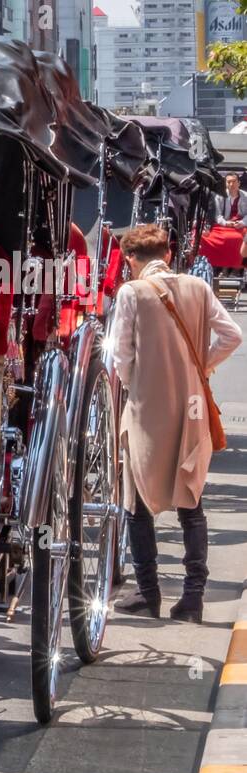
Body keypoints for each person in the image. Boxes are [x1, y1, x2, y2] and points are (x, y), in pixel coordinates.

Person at [112, 224, 241, 622]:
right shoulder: (198, 288)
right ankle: (192, 598)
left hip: (147, 408)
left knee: (137, 504)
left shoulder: (131, 292)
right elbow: (232, 335)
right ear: (167, 254)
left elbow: (119, 357)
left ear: (131, 260)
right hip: (192, 408)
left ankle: (148, 593)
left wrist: (136, 382)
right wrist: (201, 363)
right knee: (191, 502)